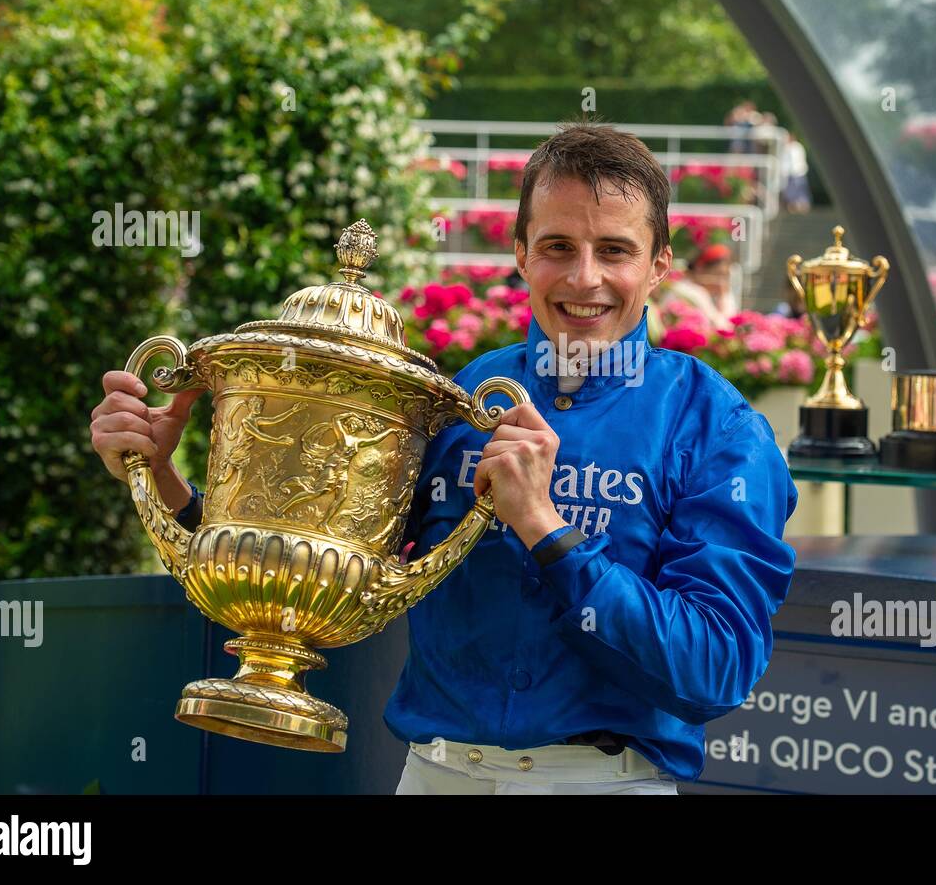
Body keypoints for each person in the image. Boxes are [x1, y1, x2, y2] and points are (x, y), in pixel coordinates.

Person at [89, 122, 799, 795]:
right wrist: (163, 480)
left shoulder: (719, 428)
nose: (584, 278)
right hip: (433, 773)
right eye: (556, 246)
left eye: (614, 250)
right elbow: (333, 564)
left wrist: (549, 533)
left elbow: (716, 665)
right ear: (519, 253)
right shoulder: (458, 397)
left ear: (659, 266)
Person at [665, 243, 739, 332]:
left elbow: (732, 321)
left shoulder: (719, 291)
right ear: (700, 269)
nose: (721, 281)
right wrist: (724, 295)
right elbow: (723, 327)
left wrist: (723, 295)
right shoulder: (685, 290)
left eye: (725, 276)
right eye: (717, 274)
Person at [780, 132, 811, 214]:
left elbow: (792, 163)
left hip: (796, 174)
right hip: (793, 174)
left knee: (798, 192)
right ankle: (795, 208)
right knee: (792, 193)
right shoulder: (791, 147)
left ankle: (801, 208)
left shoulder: (795, 147)